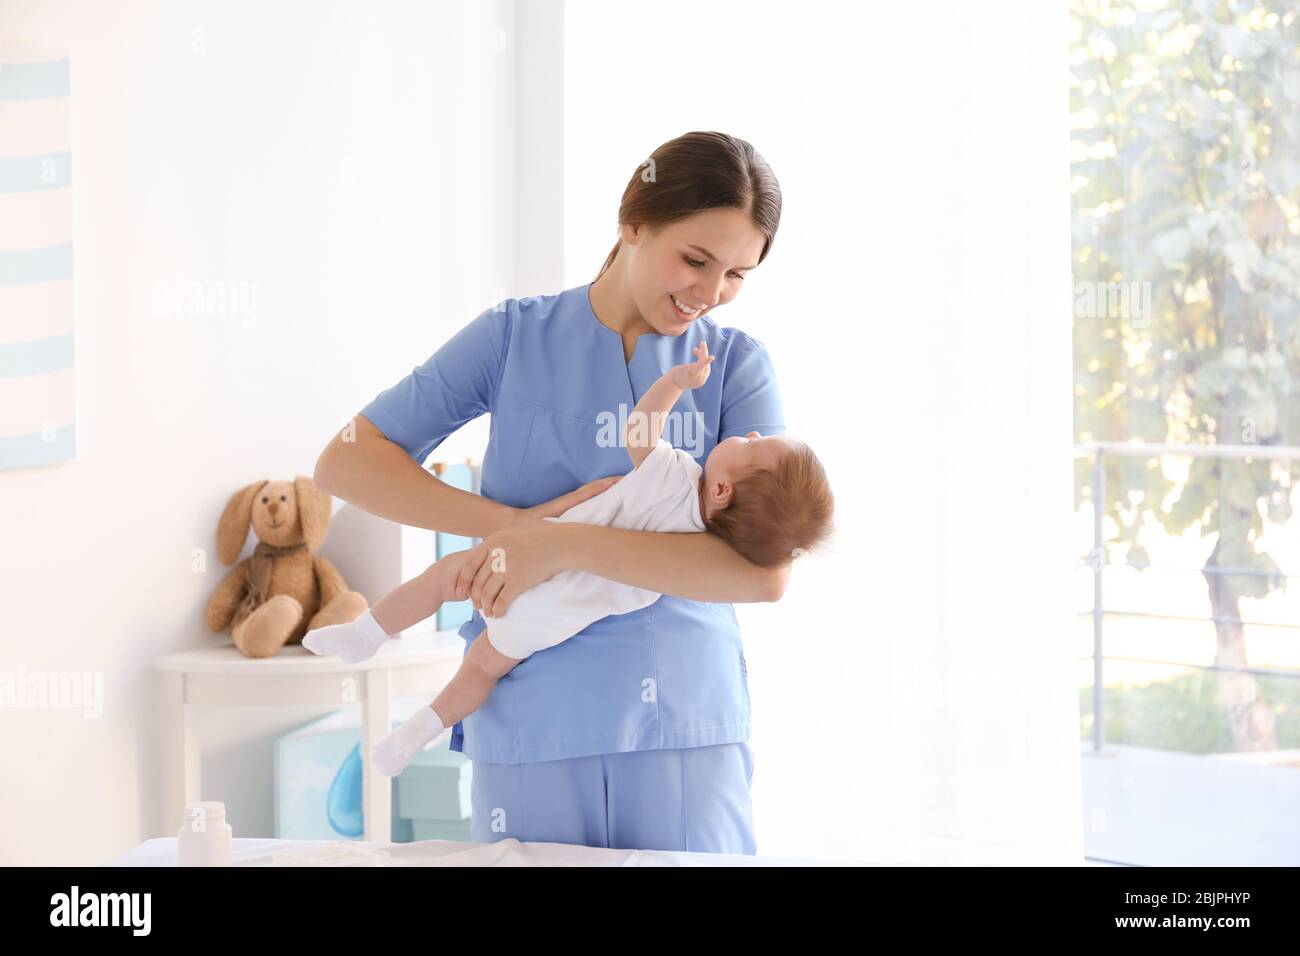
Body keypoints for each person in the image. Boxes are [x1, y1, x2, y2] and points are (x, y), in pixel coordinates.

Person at [313, 131, 796, 854]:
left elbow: (764, 572)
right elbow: (347, 464)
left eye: (736, 274)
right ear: (633, 221)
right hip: (532, 717)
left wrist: (564, 543)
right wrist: (513, 526)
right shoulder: (514, 338)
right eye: (696, 259)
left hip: (683, 725)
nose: (709, 292)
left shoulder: (734, 366)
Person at [304, 340, 833, 779]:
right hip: (550, 621)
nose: (753, 433)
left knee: (442, 579)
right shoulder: (705, 552)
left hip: (520, 563)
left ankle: (367, 634)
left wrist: (675, 383)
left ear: (720, 489)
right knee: (482, 667)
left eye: (751, 444)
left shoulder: (673, 475)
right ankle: (415, 734)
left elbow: (640, 430)